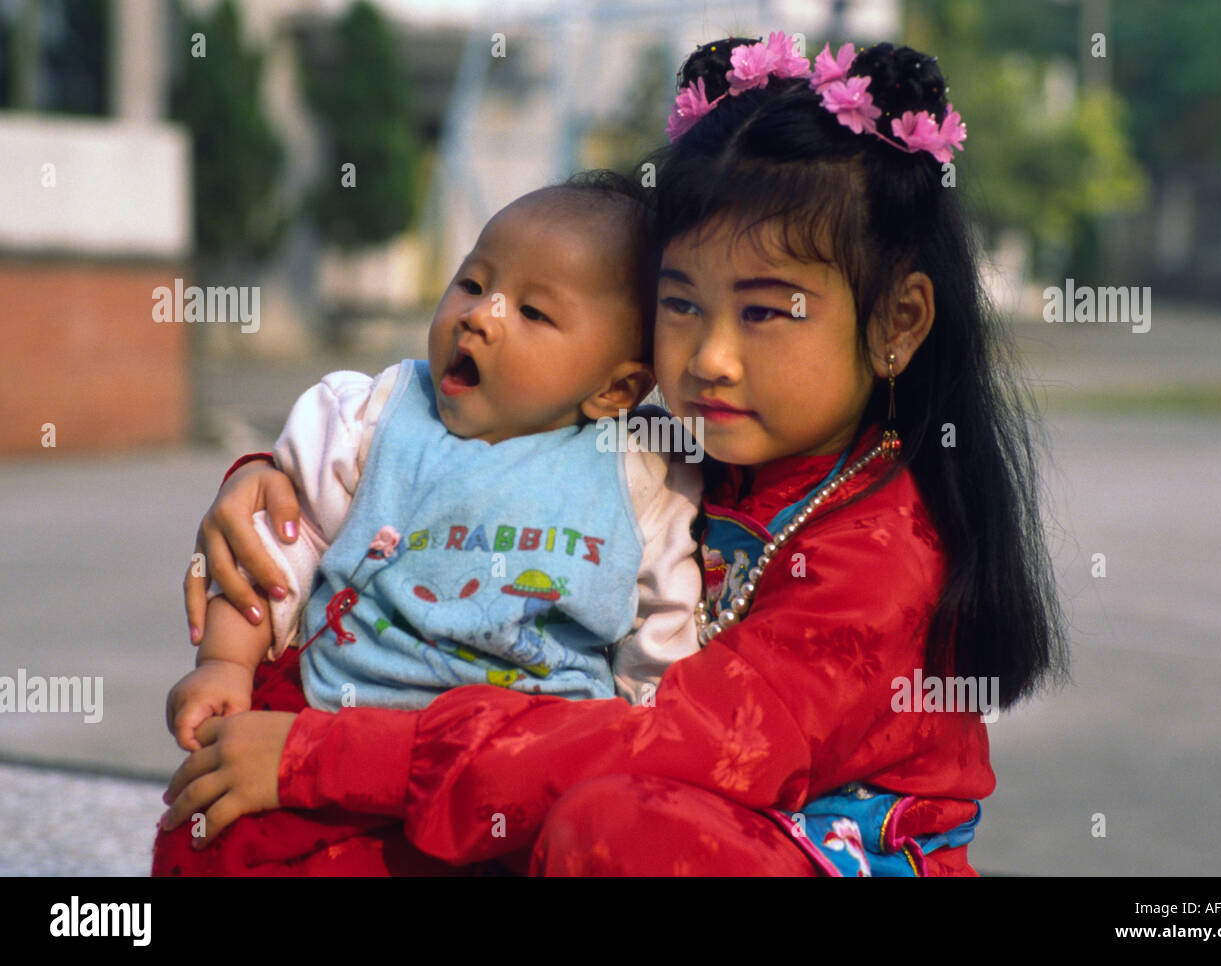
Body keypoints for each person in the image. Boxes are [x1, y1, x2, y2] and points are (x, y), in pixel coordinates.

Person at [160, 34, 1066, 876]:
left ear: (895, 323)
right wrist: (275, 486)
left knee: (616, 829)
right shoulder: (671, 441)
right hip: (566, 772)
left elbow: (685, 745)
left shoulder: (886, 552)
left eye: (764, 310)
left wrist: (342, 755)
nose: (710, 358)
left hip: (797, 845)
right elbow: (469, 453)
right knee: (229, 809)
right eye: (680, 303)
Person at [163, 175, 703, 760]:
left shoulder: (638, 473)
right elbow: (275, 550)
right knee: (214, 833)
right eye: (472, 283)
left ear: (616, 387)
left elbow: (663, 633)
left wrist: (643, 753)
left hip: (527, 760)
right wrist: (224, 663)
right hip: (339, 727)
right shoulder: (376, 418)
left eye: (532, 311)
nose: (479, 317)